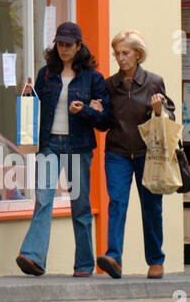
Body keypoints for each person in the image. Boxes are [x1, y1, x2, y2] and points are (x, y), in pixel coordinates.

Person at [15, 21, 107, 277]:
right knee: (43, 198)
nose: (63, 49)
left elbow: (103, 119)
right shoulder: (46, 74)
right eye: (60, 44)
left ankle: (84, 264)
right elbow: (37, 109)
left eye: (68, 44)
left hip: (78, 146)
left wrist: (85, 110)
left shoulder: (93, 78)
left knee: (80, 205)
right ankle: (33, 257)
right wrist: (28, 96)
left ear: (79, 46)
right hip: (50, 144)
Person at [97, 29, 177, 279]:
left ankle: (156, 260)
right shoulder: (110, 85)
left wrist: (158, 110)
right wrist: (95, 111)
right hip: (117, 152)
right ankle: (114, 257)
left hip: (148, 153)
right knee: (117, 203)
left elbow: (170, 116)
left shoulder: (154, 81)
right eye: (117, 54)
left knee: (151, 207)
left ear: (138, 54)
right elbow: (104, 123)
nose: (120, 58)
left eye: (125, 53)